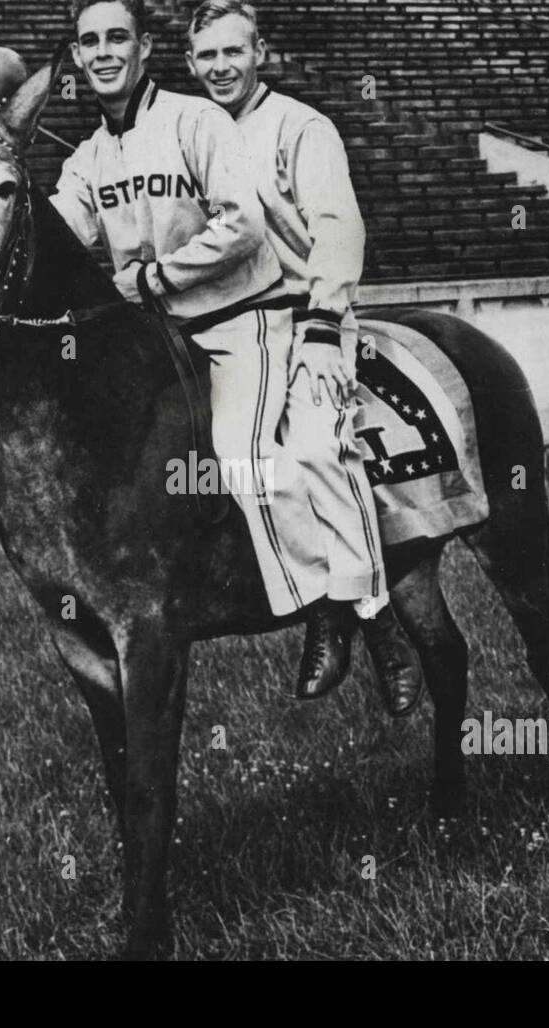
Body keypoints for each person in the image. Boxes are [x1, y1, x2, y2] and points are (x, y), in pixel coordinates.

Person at [185, 0, 425, 716]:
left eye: (234, 51)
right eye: (208, 56)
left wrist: (325, 320)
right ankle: (324, 598)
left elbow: (337, 225)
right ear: (190, 65)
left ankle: (373, 618)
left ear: (261, 51)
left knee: (321, 450)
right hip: (229, 329)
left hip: (307, 317)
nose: (222, 67)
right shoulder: (191, 133)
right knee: (247, 462)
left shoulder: (301, 126)